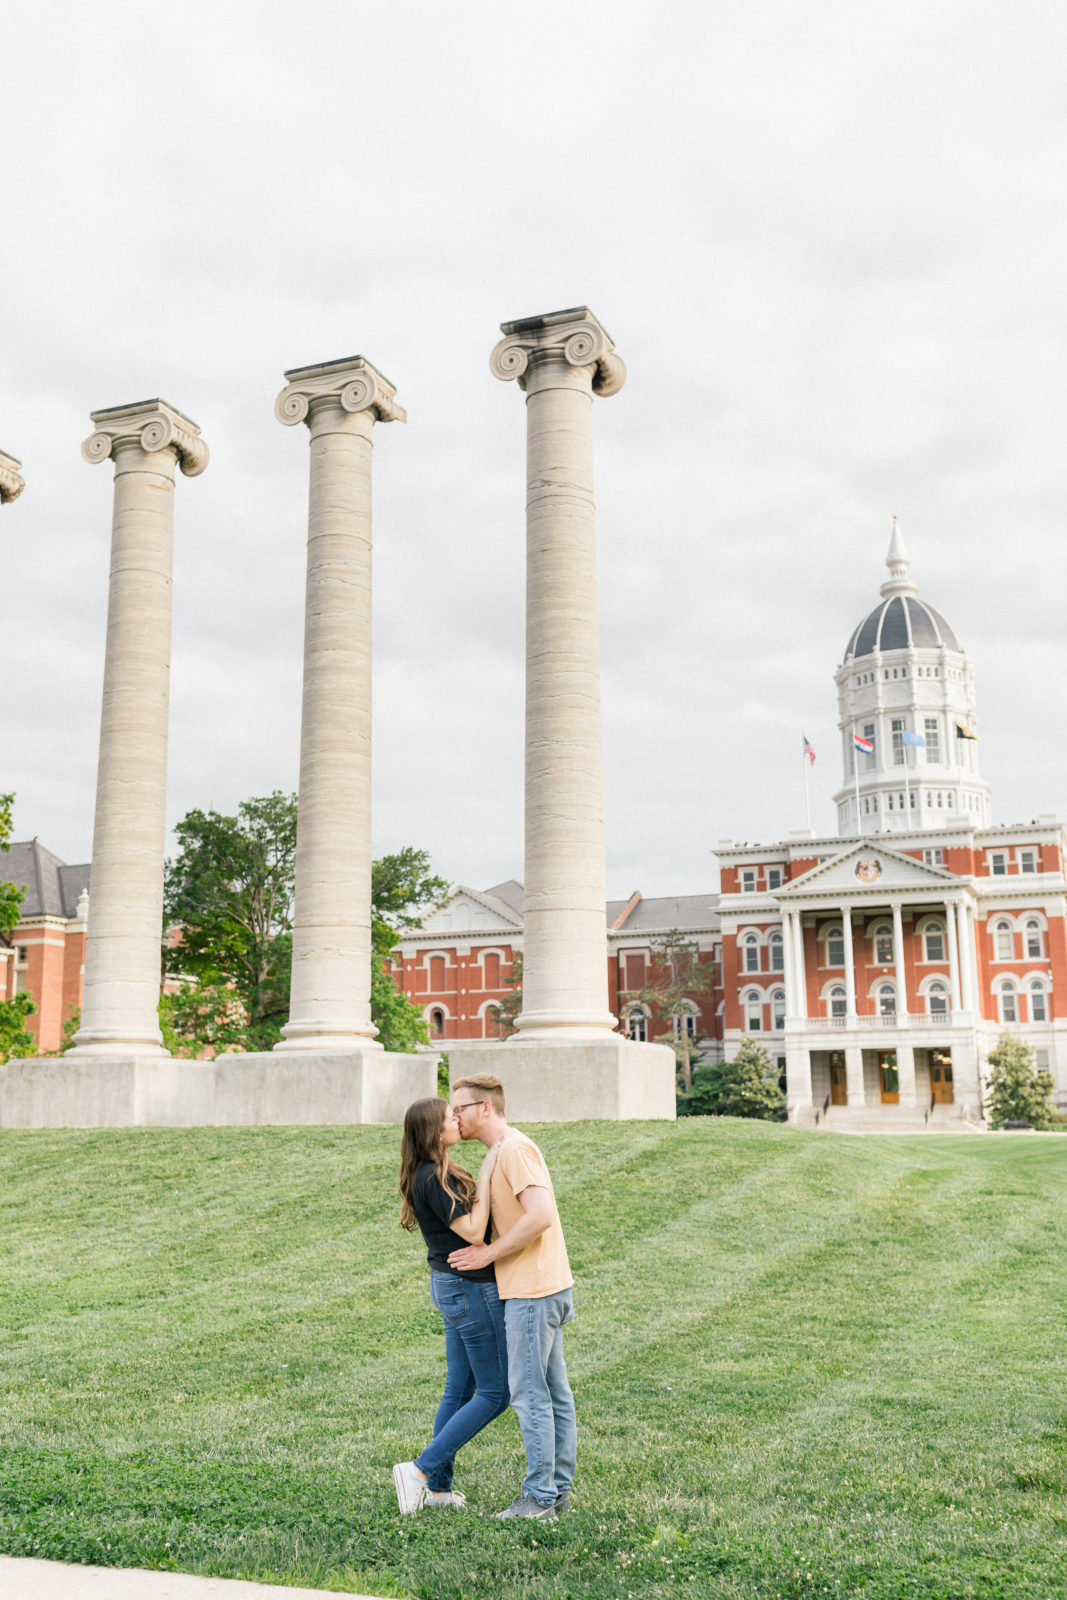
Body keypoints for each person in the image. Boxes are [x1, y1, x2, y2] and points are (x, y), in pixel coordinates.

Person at [447, 1073, 575, 1522]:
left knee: (530, 1395)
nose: (453, 1115)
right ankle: (556, 1490)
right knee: (554, 1392)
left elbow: (540, 1216)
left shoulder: (515, 1149)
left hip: (532, 1292)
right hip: (544, 1286)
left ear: (485, 1108)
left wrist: (489, 1254)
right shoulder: (501, 1151)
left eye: (459, 1107)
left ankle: (539, 1498)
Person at [393, 1096, 509, 1514]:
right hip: (468, 1289)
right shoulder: (430, 1178)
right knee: (496, 1393)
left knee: (460, 1389)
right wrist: (490, 1164)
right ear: (432, 1131)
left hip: (452, 1285)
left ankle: (438, 1491)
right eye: (449, 1118)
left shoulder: (433, 1171)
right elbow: (475, 1232)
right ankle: (419, 1471)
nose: (457, 1120)